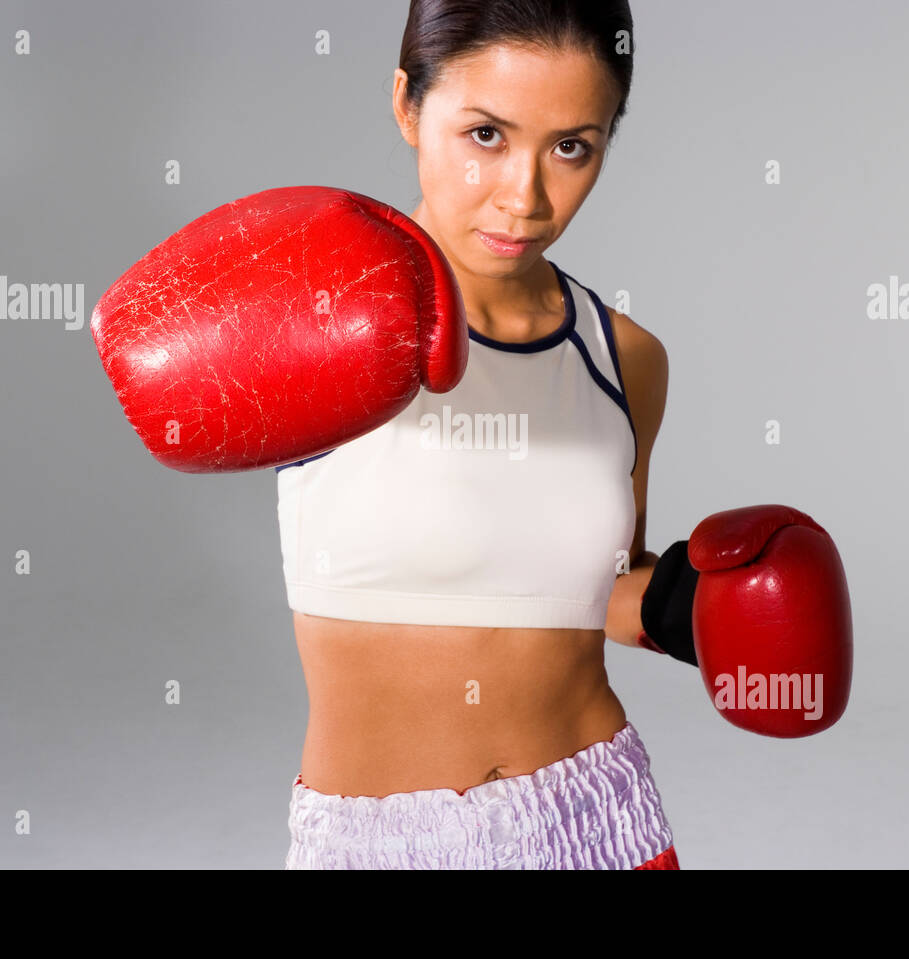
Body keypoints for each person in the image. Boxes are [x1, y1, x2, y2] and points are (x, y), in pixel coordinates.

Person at [275, 0, 683, 869]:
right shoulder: (314, 321)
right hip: (379, 843)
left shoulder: (624, 359)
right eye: (486, 135)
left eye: (572, 146)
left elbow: (599, 590)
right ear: (407, 106)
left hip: (601, 824)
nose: (525, 197)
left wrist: (695, 608)